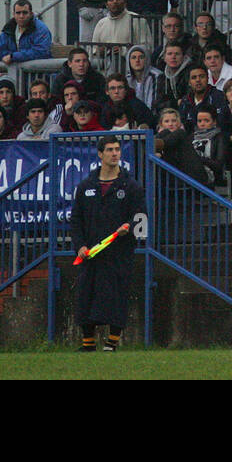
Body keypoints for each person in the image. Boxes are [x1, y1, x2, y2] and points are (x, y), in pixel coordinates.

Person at [72, 135, 146, 351]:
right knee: (86, 295)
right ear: (100, 154)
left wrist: (129, 227)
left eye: (117, 149)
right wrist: (80, 246)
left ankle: (111, 344)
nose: (115, 154)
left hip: (119, 253)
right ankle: (88, 344)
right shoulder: (86, 186)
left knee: (116, 296)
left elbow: (142, 218)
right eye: (110, 150)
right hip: (91, 253)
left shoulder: (131, 186)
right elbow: (76, 220)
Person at [0, 0, 54, 65]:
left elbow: (40, 52)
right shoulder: (8, 29)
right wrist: (10, 57)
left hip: (39, 73)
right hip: (14, 72)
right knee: (6, 76)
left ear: (31, 14)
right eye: (18, 13)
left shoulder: (41, 29)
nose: (21, 16)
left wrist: (13, 57)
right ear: (13, 14)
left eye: (25, 13)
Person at [190, 105, 231, 194]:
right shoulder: (191, 137)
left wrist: (199, 160)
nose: (202, 124)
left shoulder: (219, 138)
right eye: (199, 121)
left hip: (212, 178)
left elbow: (219, 165)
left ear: (214, 122)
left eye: (206, 121)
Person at [179, 64, 225, 128]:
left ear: (208, 78)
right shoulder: (185, 101)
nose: (198, 80)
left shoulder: (219, 97)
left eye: (201, 76)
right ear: (189, 82)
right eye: (194, 77)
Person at [153, 39, 192, 111]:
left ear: (183, 57)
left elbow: (189, 100)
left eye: (177, 54)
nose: (173, 57)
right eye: (169, 54)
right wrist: (175, 103)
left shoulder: (191, 73)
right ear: (164, 57)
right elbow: (158, 104)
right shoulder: (162, 77)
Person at [125, 45, 161, 110]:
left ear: (146, 59)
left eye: (141, 57)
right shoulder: (127, 79)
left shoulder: (157, 76)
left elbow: (155, 103)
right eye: (133, 57)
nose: (137, 60)